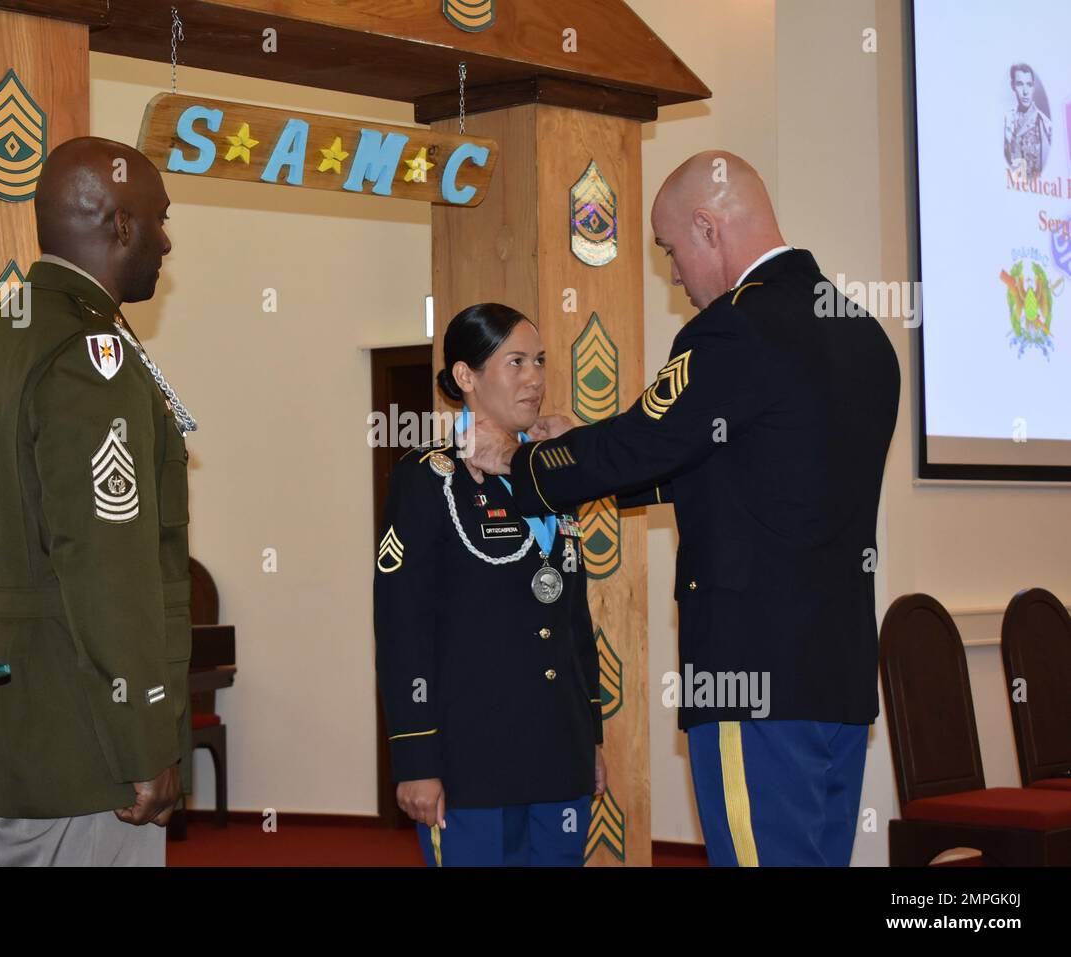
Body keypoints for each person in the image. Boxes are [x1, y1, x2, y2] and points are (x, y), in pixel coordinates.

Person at [466, 151, 900, 866]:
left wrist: (524, 465)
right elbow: (731, 468)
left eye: (671, 250)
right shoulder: (862, 334)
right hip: (838, 676)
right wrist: (592, 445)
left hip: (751, 674)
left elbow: (647, 442)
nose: (674, 274)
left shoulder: (737, 326)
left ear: (708, 227)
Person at [0, 137, 195, 867]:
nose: (167, 241)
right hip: (88, 745)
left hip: (17, 728)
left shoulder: (9, 338)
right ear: (120, 226)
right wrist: (147, 740)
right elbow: (105, 569)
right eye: (159, 219)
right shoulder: (90, 355)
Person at [374, 303, 604, 867]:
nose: (536, 378)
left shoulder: (552, 472)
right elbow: (404, 629)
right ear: (465, 377)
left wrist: (590, 737)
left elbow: (575, 621)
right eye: (516, 362)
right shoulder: (428, 479)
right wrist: (415, 759)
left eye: (541, 361)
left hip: (558, 752)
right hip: (470, 760)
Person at [1004, 63, 1052, 180]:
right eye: (1020, 84)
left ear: (1033, 87)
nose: (1025, 92)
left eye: (1029, 85)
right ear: (1013, 86)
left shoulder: (1046, 125)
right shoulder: (1008, 119)